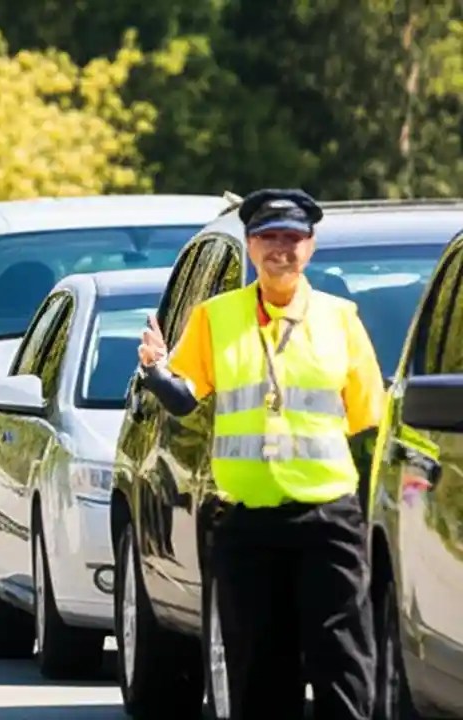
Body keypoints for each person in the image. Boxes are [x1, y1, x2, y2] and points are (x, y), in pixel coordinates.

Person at [135, 188, 383, 720]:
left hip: (327, 521)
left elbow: (369, 422)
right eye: (269, 237)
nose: (281, 249)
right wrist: (154, 373)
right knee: (258, 671)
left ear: (311, 247)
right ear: (250, 246)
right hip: (247, 524)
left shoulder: (341, 320)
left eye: (293, 238)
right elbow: (184, 397)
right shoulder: (216, 317)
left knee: (342, 664)